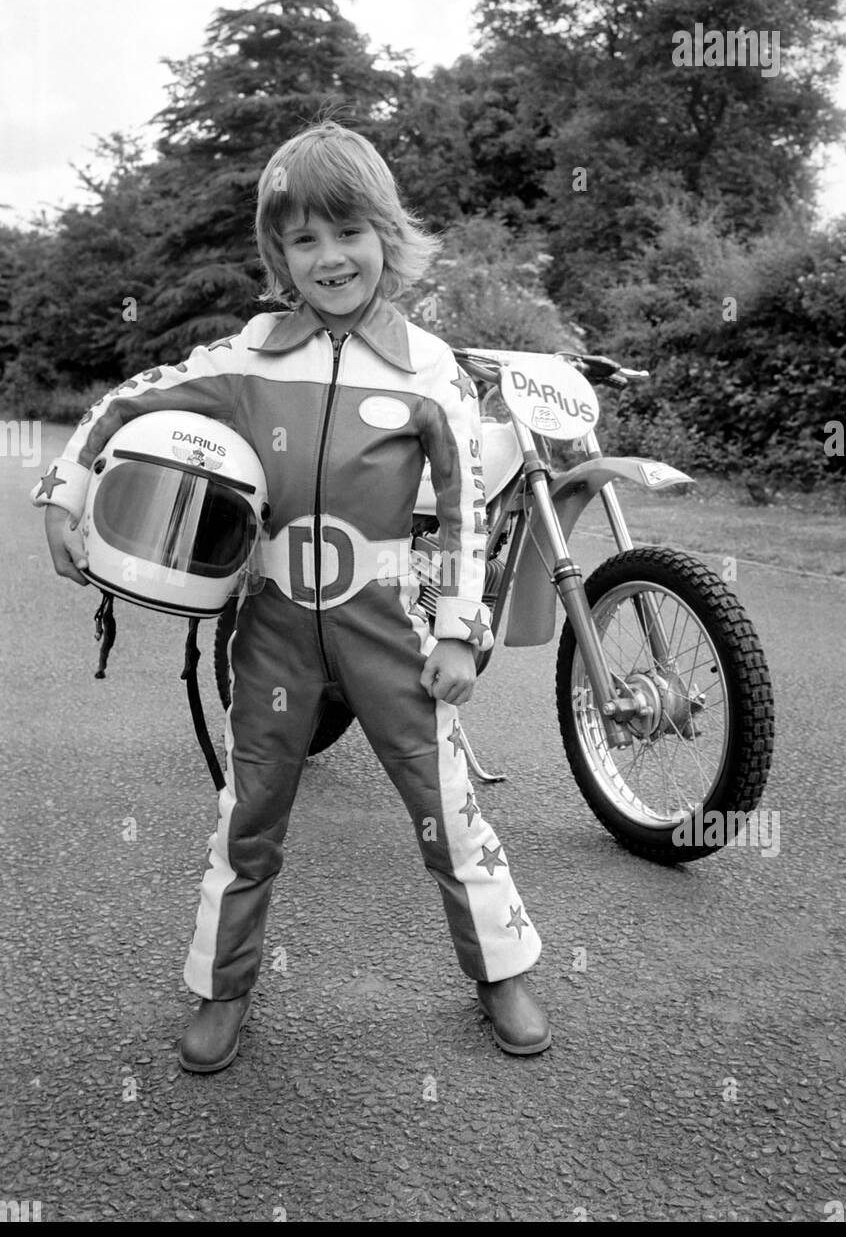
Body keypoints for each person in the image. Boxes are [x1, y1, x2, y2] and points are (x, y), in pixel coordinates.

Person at [33, 121, 550, 1071]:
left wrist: (462, 631)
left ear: (385, 237)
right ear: (278, 253)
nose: (328, 257)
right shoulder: (249, 357)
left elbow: (468, 512)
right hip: (270, 627)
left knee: (442, 804)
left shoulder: (432, 372)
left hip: (392, 625)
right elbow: (127, 401)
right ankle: (221, 986)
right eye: (302, 239)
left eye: (346, 231)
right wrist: (65, 493)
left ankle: (500, 969)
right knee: (250, 812)